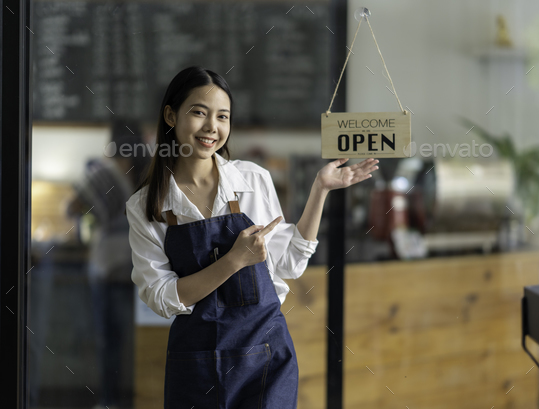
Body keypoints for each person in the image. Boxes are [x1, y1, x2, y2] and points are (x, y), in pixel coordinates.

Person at [124, 66, 379, 408]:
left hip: (265, 359)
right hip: (195, 363)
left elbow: (288, 263)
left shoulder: (252, 180)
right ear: (171, 115)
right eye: (199, 112)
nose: (212, 127)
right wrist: (234, 261)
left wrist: (320, 189)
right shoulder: (146, 206)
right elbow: (162, 297)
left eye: (223, 117)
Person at [67, 118, 149, 409]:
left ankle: (110, 402)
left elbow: (72, 207)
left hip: (108, 269)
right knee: (141, 343)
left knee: (108, 343)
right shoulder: (149, 175)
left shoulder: (104, 174)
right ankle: (140, 398)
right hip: (142, 272)